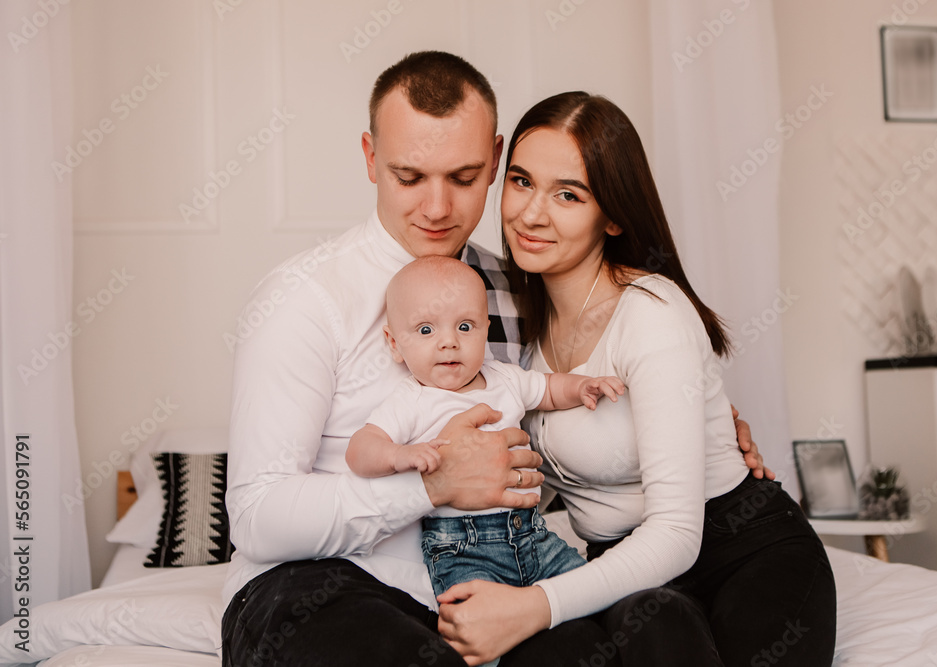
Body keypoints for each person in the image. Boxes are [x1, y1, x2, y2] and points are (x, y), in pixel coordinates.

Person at [222, 51, 768, 667]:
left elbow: (542, 450)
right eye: (409, 177)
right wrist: (432, 485)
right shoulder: (302, 300)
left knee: (653, 630)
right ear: (372, 158)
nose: (436, 208)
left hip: (495, 582)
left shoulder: (511, 290)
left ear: (495, 162)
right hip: (319, 582)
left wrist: (704, 430)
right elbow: (256, 517)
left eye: (463, 177)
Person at [433, 91, 837, 666]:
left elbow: (676, 532)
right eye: (521, 182)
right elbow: (547, 476)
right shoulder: (509, 328)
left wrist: (533, 605)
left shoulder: (650, 311)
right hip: (630, 573)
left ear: (614, 215)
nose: (530, 213)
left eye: (568, 194)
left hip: (741, 551)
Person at [347, 256, 622, 606]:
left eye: (464, 326)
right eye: (426, 330)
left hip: (534, 535)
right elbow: (360, 450)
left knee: (593, 597)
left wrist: (582, 387)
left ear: (485, 329)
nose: (449, 342)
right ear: (394, 343)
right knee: (475, 621)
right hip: (462, 548)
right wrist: (399, 455)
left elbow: (548, 388)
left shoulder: (504, 378)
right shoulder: (413, 399)